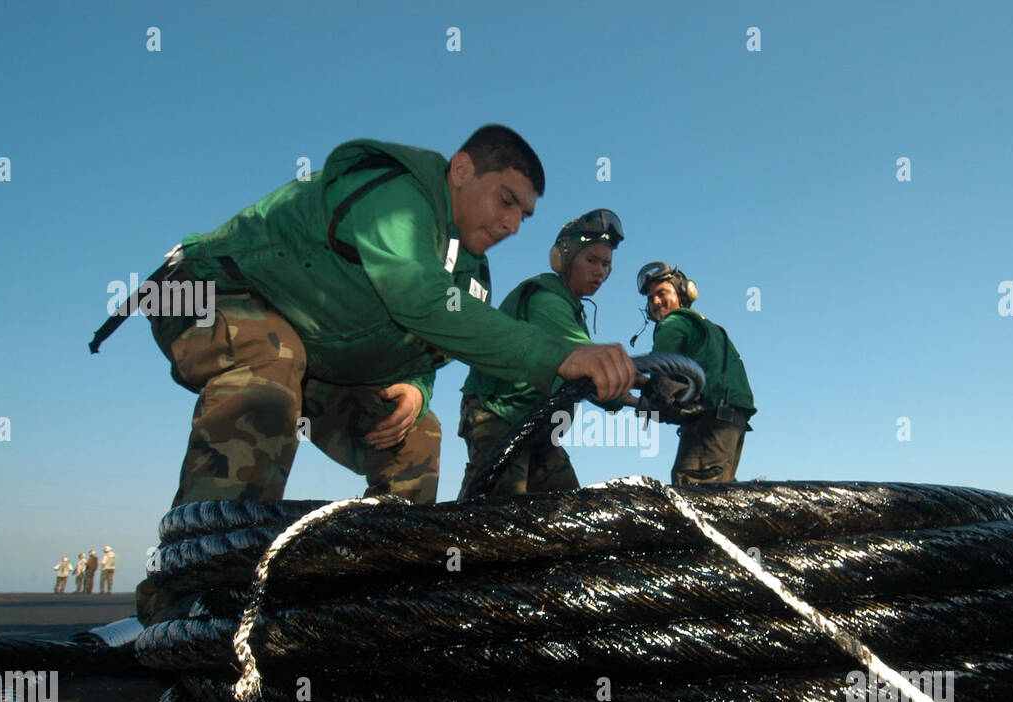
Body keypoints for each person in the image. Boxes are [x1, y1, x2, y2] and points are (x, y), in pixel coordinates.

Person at [123, 125, 635, 510]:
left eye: (523, 215)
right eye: (505, 200)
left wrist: (417, 386)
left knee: (418, 431)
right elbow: (422, 301)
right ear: (460, 171)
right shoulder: (399, 195)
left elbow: (434, 342)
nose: (511, 224)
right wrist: (561, 354)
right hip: (202, 289)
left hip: (312, 355)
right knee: (270, 358)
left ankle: (375, 584)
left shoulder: (473, 271)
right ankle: (199, 587)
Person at [458, 209, 635, 497]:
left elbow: (597, 381)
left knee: (567, 508)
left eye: (606, 264)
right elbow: (597, 369)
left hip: (536, 424)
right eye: (591, 260)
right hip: (497, 414)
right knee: (498, 509)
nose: (600, 272)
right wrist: (647, 390)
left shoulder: (571, 308)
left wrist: (643, 401)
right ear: (562, 258)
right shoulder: (546, 299)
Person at [636, 262, 756, 484]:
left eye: (662, 293)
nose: (655, 302)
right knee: (719, 492)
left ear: (683, 293)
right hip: (731, 419)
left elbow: (659, 370)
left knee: (691, 486)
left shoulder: (674, 322)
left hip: (711, 420)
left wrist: (645, 396)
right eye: (650, 298)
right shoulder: (705, 327)